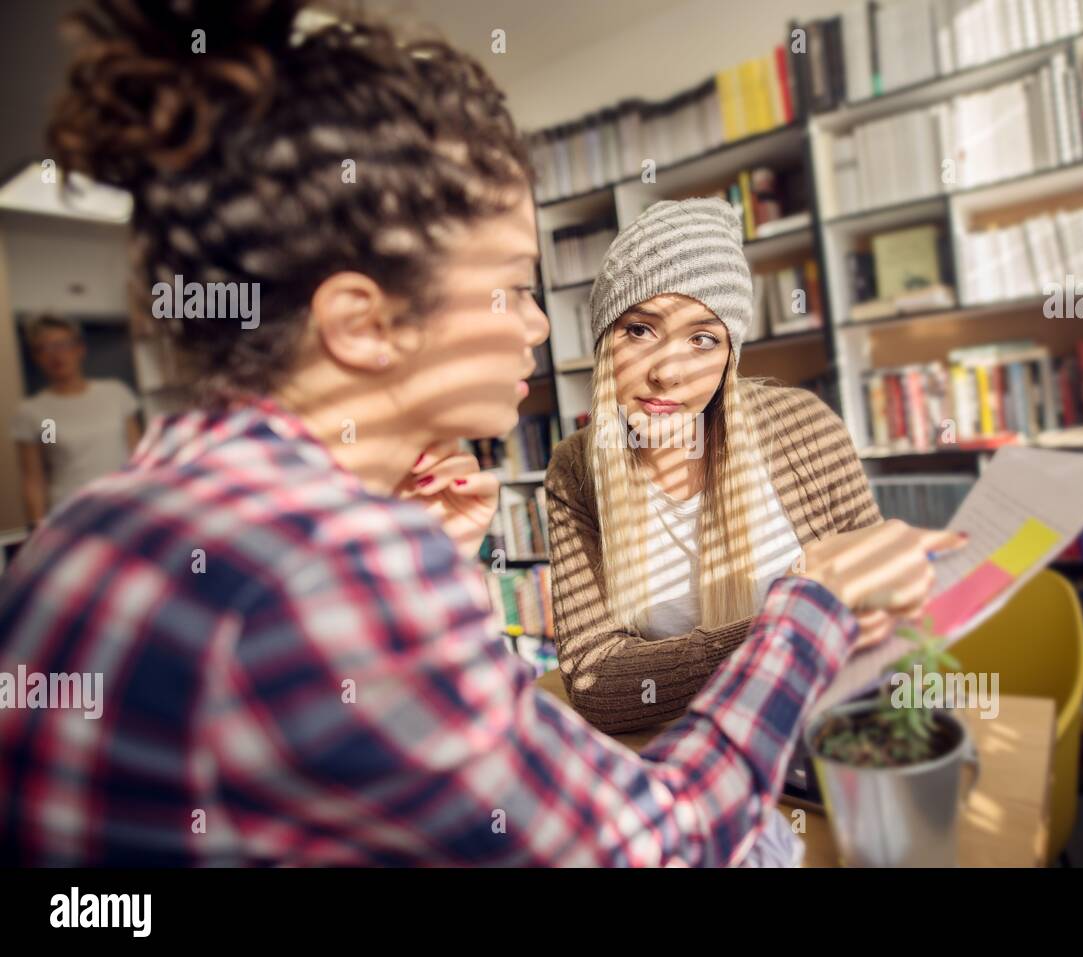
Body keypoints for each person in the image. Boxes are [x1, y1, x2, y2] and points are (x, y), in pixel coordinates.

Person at [0, 0, 958, 866]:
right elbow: (655, 841)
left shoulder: (92, 526)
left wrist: (432, 566)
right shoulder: (332, 568)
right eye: (510, 284)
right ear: (365, 323)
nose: (540, 325)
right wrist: (813, 609)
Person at [547, 198, 908, 734]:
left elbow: (883, 616)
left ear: (728, 358)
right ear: (605, 341)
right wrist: (782, 628)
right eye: (640, 330)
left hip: (822, 730)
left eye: (702, 339)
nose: (668, 373)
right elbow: (600, 686)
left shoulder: (801, 427)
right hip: (686, 749)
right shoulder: (575, 469)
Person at [11, 314, 141, 525]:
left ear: (79, 349)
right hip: (71, 515)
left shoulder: (115, 393)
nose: (56, 355)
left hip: (126, 506)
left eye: (62, 345)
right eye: (44, 348)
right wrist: (38, 529)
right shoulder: (36, 412)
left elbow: (139, 456)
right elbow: (35, 478)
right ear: (36, 357)